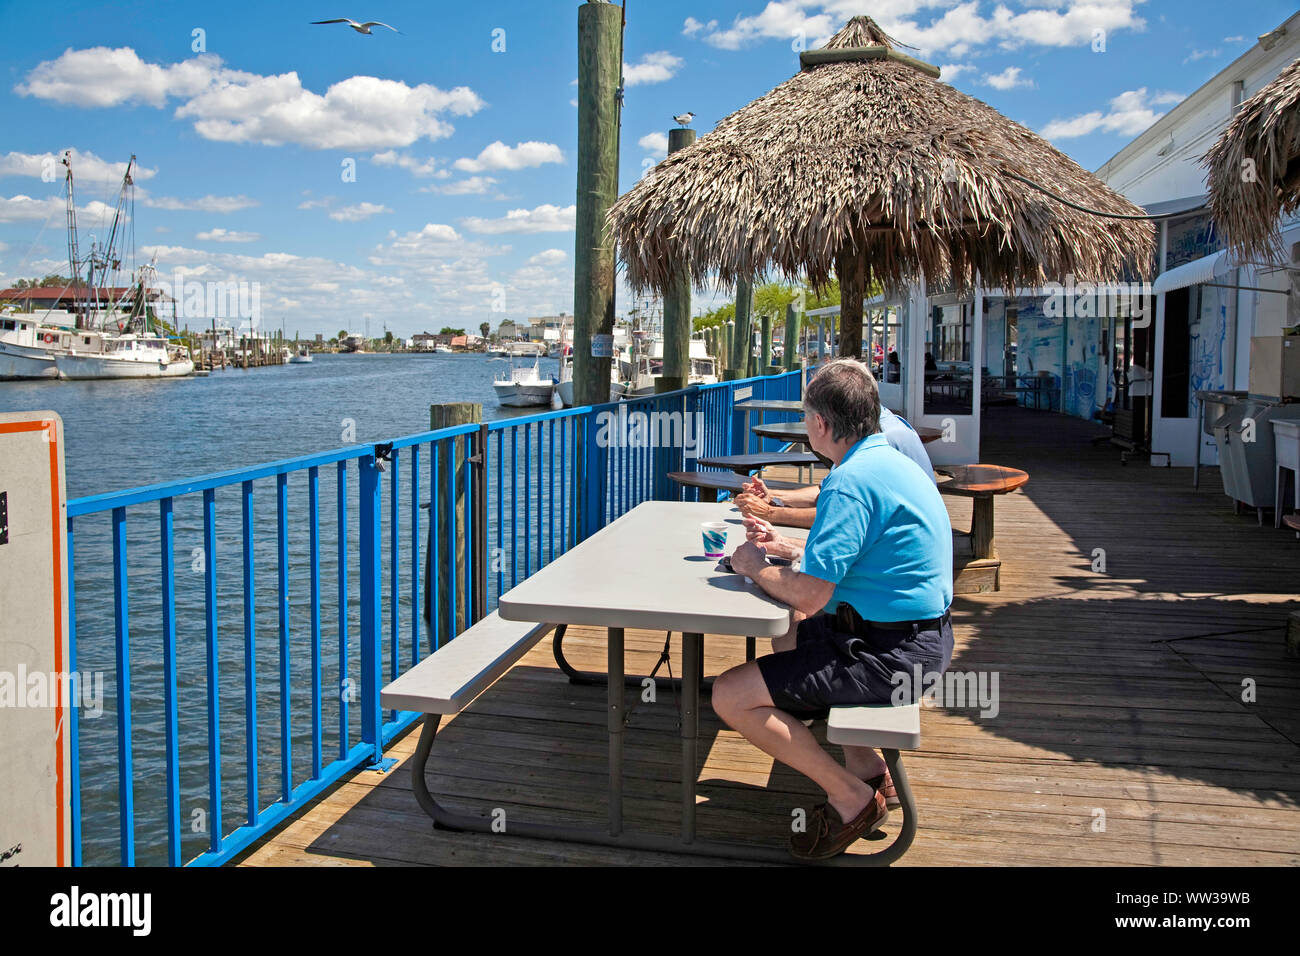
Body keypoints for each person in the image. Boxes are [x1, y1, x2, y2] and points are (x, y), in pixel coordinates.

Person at [711, 358, 953, 861]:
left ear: (820, 424)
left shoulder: (850, 482)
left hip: (892, 652)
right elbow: (860, 563)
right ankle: (866, 768)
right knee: (793, 633)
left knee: (730, 695)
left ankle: (852, 798)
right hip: (918, 635)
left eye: (806, 418)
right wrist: (788, 552)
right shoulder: (886, 462)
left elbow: (811, 595)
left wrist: (754, 565)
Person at [734, 404, 935, 528]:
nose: (805, 421)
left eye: (808, 413)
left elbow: (838, 515)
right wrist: (775, 497)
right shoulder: (876, 425)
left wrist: (771, 513)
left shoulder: (878, 440)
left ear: (821, 421)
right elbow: (828, 492)